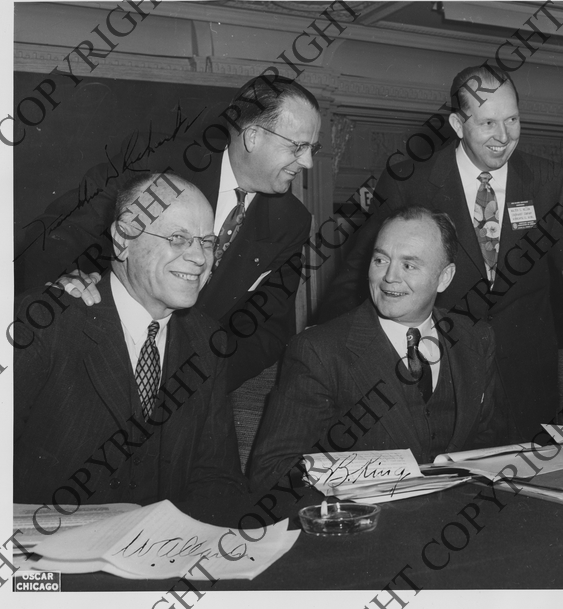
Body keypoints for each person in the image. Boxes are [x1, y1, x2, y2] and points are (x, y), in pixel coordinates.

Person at [317, 65, 563, 442]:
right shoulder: (412, 180)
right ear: (457, 124)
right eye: (488, 123)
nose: (503, 137)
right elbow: (361, 269)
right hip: (442, 369)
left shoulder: (549, 181)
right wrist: (325, 349)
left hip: (526, 373)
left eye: (512, 120)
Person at [16, 76, 320, 392]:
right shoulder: (155, 160)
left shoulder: (292, 221)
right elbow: (60, 232)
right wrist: (60, 285)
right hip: (89, 363)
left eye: (313, 148)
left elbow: (267, 330)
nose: (308, 162)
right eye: (298, 146)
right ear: (253, 136)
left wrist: (197, 382)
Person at [15, 173, 246, 505]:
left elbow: (217, 478)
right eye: (179, 238)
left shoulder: (208, 342)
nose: (199, 257)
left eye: (207, 241)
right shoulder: (43, 324)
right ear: (123, 238)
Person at [249, 206, 496, 492]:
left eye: (409, 265)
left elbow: (491, 447)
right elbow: (271, 472)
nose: (389, 277)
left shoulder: (476, 339)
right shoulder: (319, 351)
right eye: (380, 260)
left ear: (445, 277)